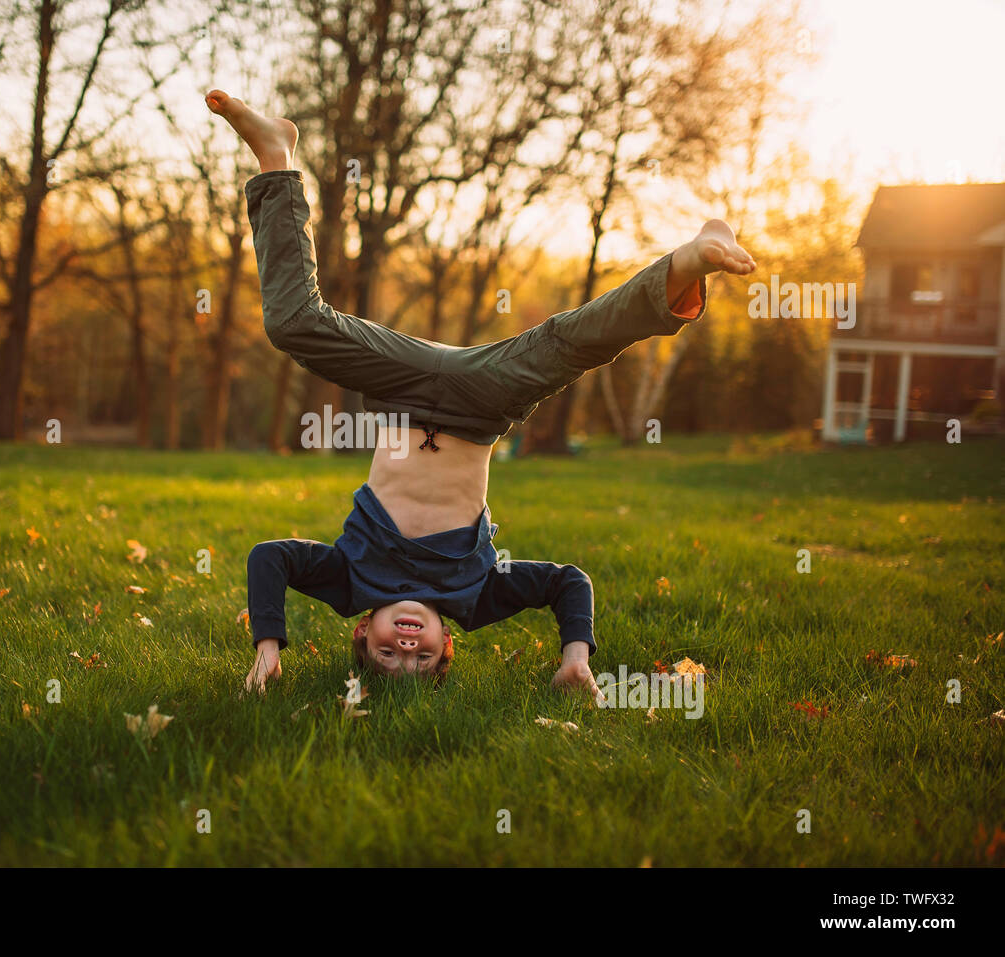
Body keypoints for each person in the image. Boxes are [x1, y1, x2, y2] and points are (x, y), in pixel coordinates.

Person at [204, 89, 756, 697]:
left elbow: (269, 558)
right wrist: (575, 656)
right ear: (446, 647)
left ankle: (276, 159)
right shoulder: (479, 597)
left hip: (401, 386)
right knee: (570, 342)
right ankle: (686, 263)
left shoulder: (345, 583)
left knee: (293, 325)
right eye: (420, 660)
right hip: (482, 402)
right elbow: (567, 582)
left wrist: (268, 649)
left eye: (387, 655)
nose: (406, 647)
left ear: (362, 633)